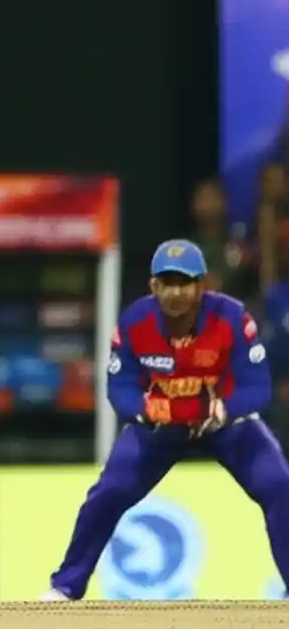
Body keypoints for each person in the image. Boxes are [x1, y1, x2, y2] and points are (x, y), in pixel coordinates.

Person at [42, 239, 289, 600]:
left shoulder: (233, 317)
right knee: (108, 493)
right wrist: (143, 410)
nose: (176, 293)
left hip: (224, 426)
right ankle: (65, 586)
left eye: (184, 283)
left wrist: (224, 409)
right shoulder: (135, 321)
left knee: (279, 485)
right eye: (167, 283)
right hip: (160, 428)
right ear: (153, 286)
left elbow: (257, 387)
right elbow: (120, 385)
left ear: (202, 286)